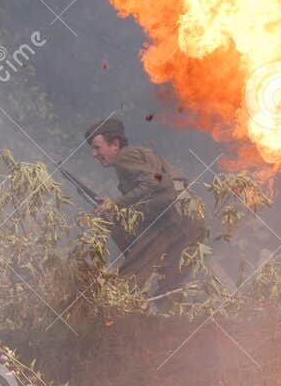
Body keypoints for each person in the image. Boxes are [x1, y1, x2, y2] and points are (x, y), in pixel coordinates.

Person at [84, 117, 207, 300]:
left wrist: (116, 204)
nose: (94, 154)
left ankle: (116, 310)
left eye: (97, 147)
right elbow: (156, 179)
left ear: (115, 144)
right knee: (170, 282)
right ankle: (170, 320)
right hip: (190, 218)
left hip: (172, 217)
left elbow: (152, 181)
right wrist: (118, 206)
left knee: (134, 269)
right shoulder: (139, 154)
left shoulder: (124, 156)